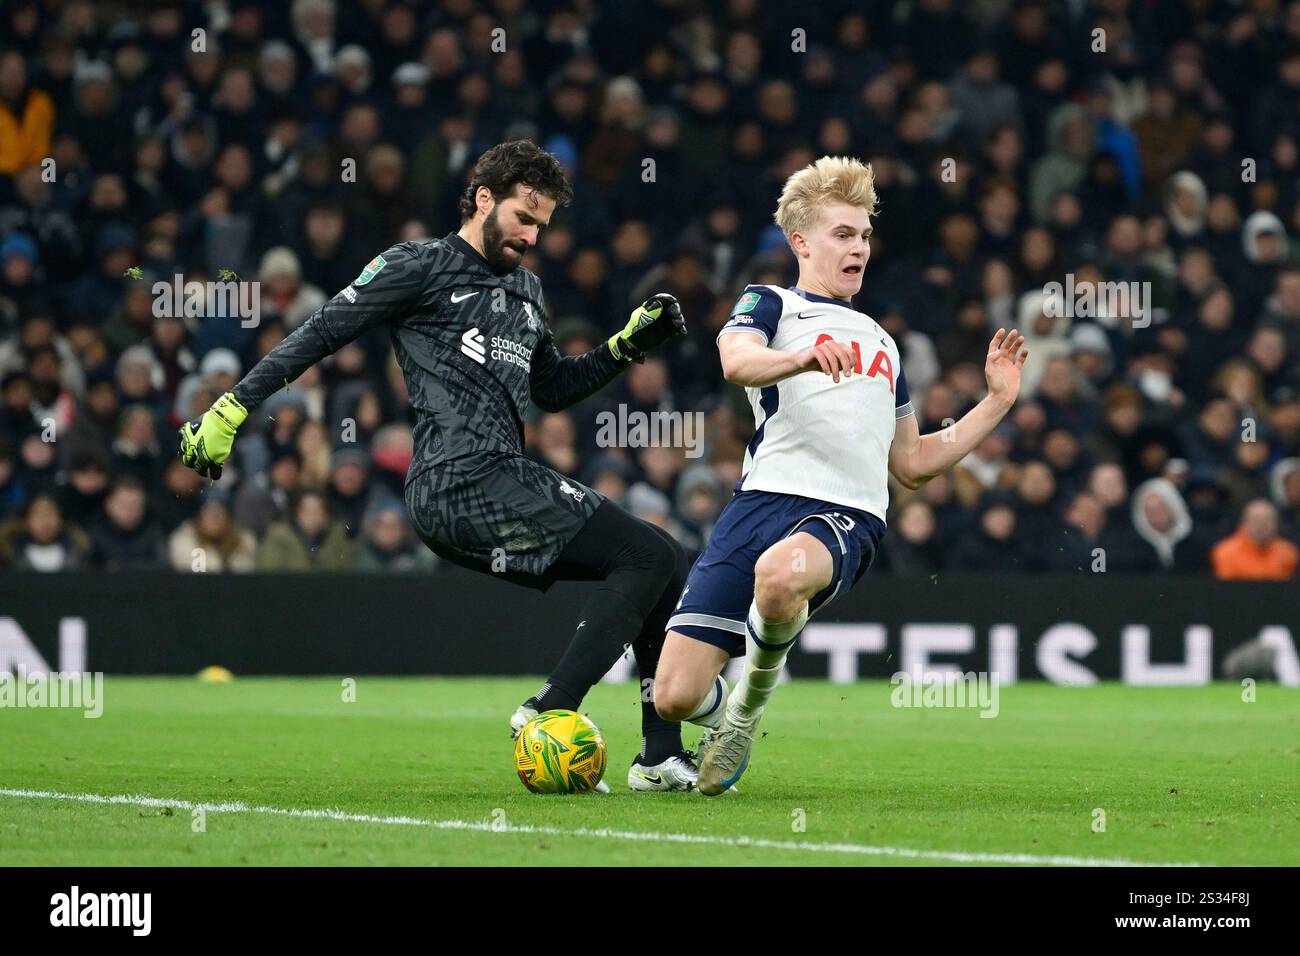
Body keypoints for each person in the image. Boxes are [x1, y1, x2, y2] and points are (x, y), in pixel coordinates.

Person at [179, 140, 699, 791]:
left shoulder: (528, 290)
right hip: (458, 478)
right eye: (523, 217)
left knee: (655, 557)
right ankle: (550, 709)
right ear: (484, 197)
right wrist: (232, 407)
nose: (532, 236)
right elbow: (321, 331)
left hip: (501, 476)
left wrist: (625, 348)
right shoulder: (418, 264)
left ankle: (658, 754)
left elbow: (550, 390)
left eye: (542, 225)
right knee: (648, 556)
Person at [653, 156, 1029, 796]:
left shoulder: (884, 342)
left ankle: (744, 712)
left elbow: (910, 464)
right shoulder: (771, 303)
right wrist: (800, 357)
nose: (860, 247)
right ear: (801, 242)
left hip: (845, 515)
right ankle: (720, 715)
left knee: (779, 576)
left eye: (864, 235)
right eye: (843, 234)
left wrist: (995, 402)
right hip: (757, 505)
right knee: (673, 698)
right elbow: (735, 359)